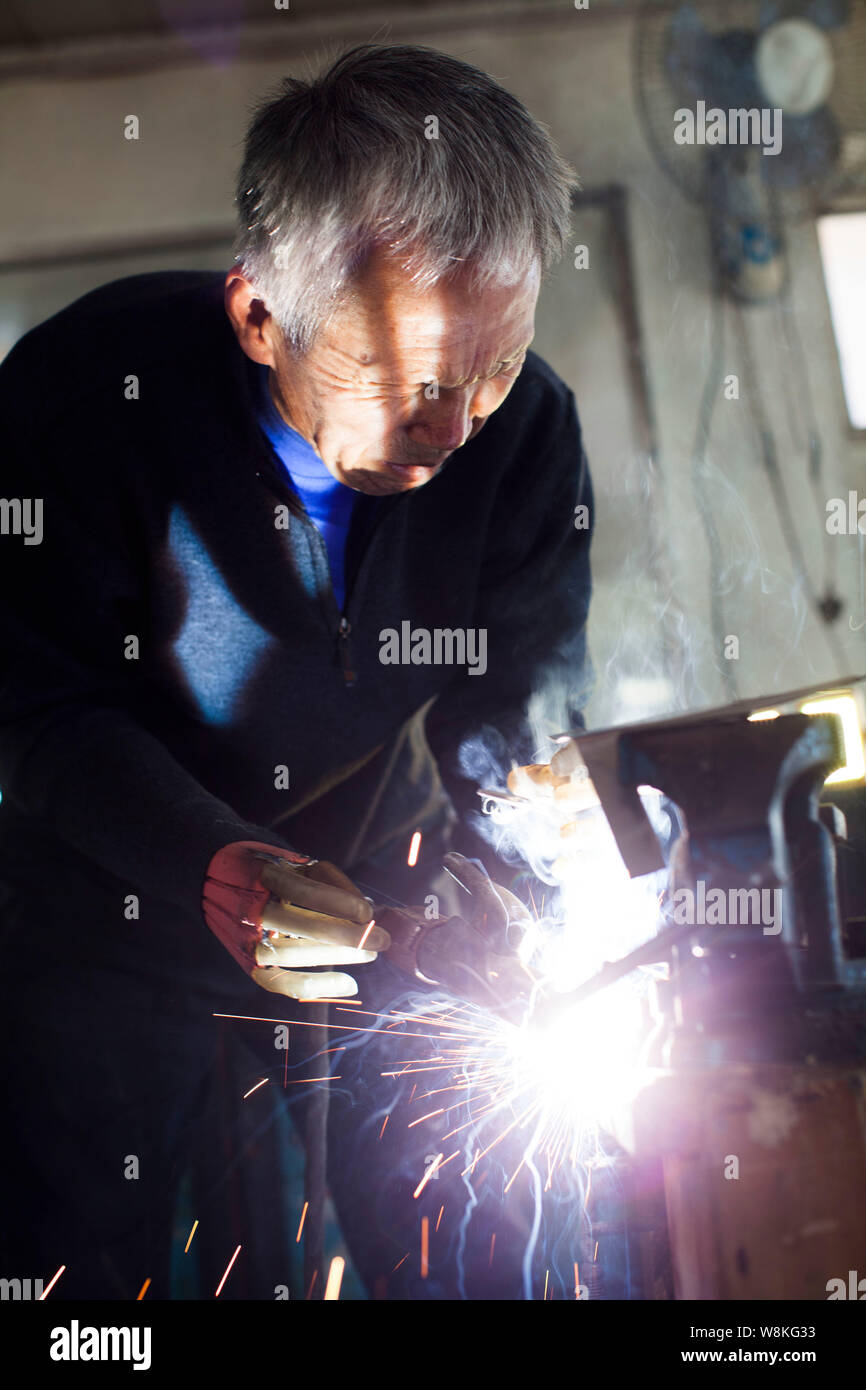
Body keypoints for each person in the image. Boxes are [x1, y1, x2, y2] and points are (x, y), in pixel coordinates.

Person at [0, 43, 593, 1299]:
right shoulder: (80, 398)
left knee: (466, 1217)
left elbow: (518, 715)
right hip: (107, 892)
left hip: (387, 861)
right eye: (415, 383)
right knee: (81, 1263)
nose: (461, 424)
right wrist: (204, 859)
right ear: (261, 314)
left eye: (494, 365)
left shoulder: (522, 429)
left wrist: (509, 886)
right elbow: (36, 707)